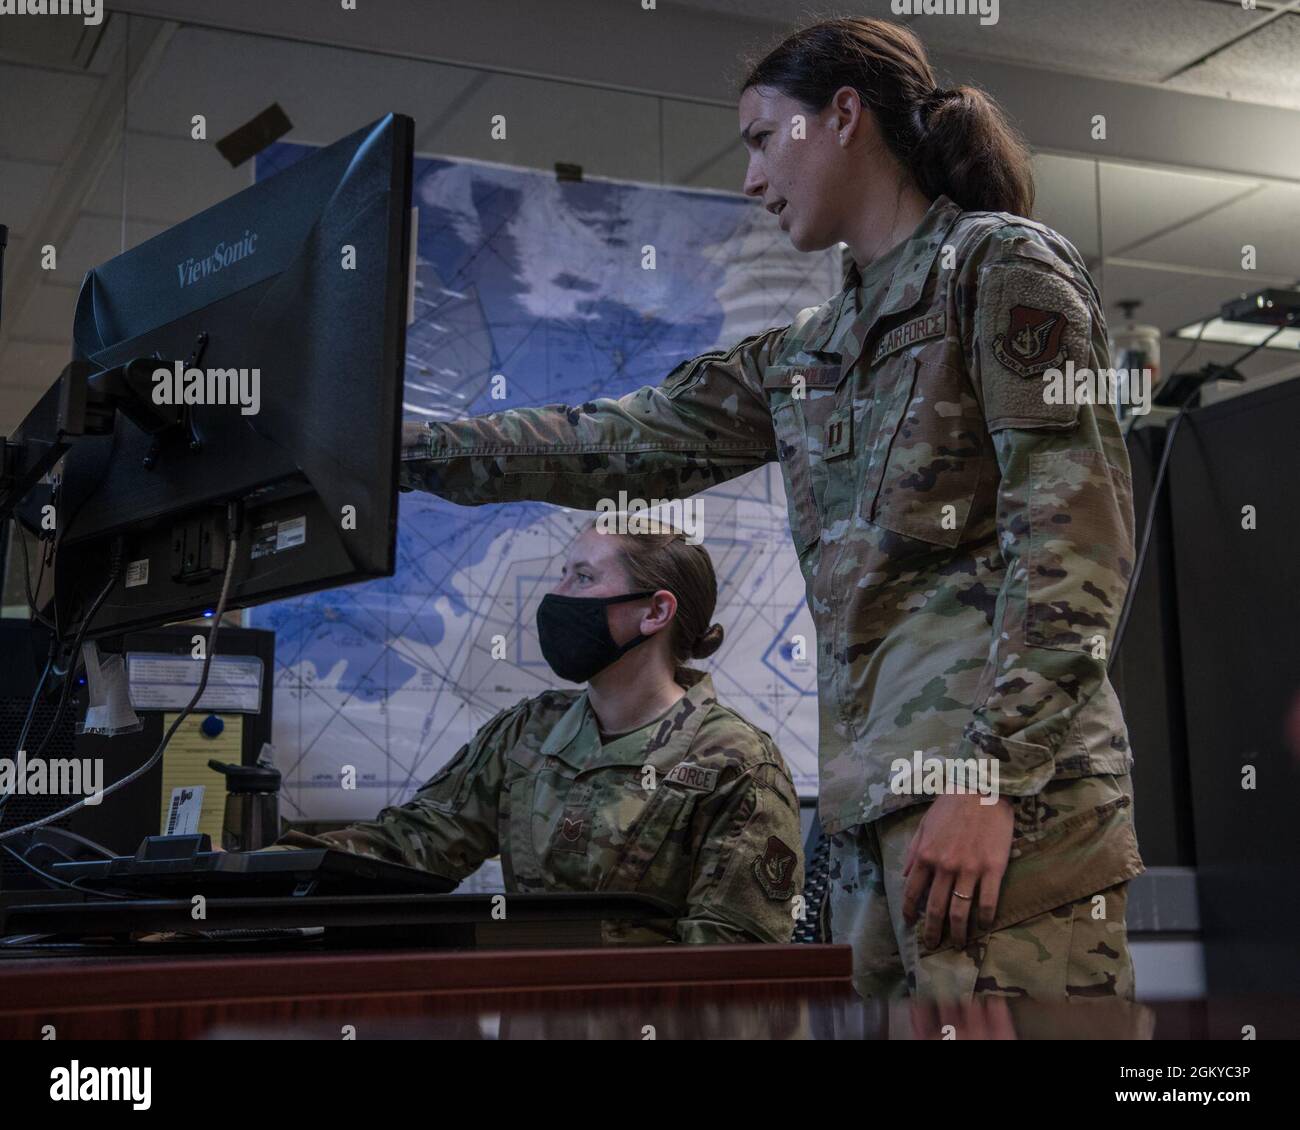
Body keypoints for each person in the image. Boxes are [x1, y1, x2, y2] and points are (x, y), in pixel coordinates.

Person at [398, 16, 1143, 1002]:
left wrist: (990, 778)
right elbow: (622, 437)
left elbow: (1075, 545)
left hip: (1007, 821)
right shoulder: (808, 353)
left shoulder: (998, 270)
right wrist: (401, 452)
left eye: (761, 137)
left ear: (842, 116)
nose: (751, 177)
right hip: (882, 831)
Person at [274, 521, 805, 945]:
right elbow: (418, 842)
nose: (555, 597)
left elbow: (731, 965)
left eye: (581, 578)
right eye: (560, 575)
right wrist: (260, 869)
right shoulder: (529, 731)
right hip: (530, 1013)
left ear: (655, 611)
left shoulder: (735, 763)